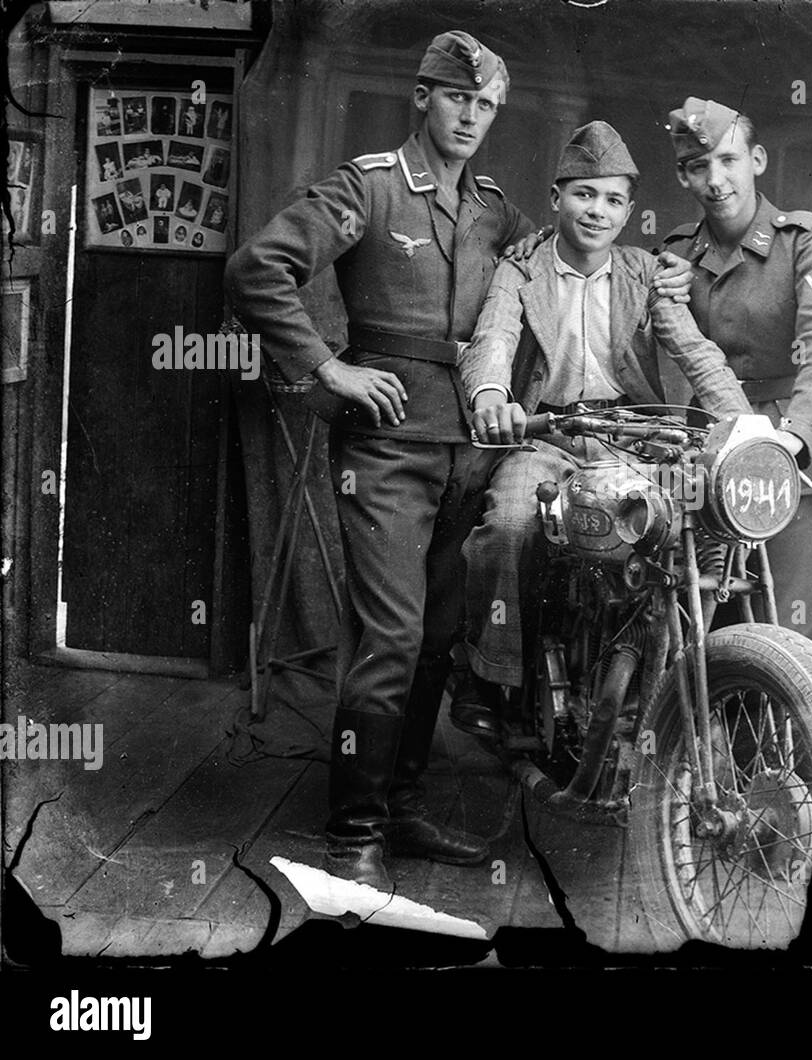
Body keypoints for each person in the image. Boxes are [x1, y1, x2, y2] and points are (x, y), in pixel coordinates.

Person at [226, 31, 538, 890]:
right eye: (456, 98)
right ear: (422, 97)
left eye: (485, 104)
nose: (470, 116)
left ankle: (401, 803)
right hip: (387, 447)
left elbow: (545, 278)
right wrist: (328, 367)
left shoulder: (493, 208)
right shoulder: (368, 188)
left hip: (469, 451)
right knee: (393, 636)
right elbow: (258, 269)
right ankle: (353, 831)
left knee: (439, 636)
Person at [449, 121, 750, 736]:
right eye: (585, 194)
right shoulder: (521, 267)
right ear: (557, 197)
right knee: (508, 525)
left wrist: (743, 427)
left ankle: (674, 691)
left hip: (632, 439)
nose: (597, 210)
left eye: (613, 200)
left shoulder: (646, 273)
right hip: (544, 436)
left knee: (695, 531)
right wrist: (490, 397)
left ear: (628, 211)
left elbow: (696, 352)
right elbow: (494, 338)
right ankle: (490, 677)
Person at [657, 98, 812, 646]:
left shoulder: (804, 244)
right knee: (694, 631)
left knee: (787, 633)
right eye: (699, 166)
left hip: (792, 458)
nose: (716, 179)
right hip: (706, 453)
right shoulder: (677, 253)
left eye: (728, 160)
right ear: (684, 175)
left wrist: (793, 442)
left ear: (757, 159)